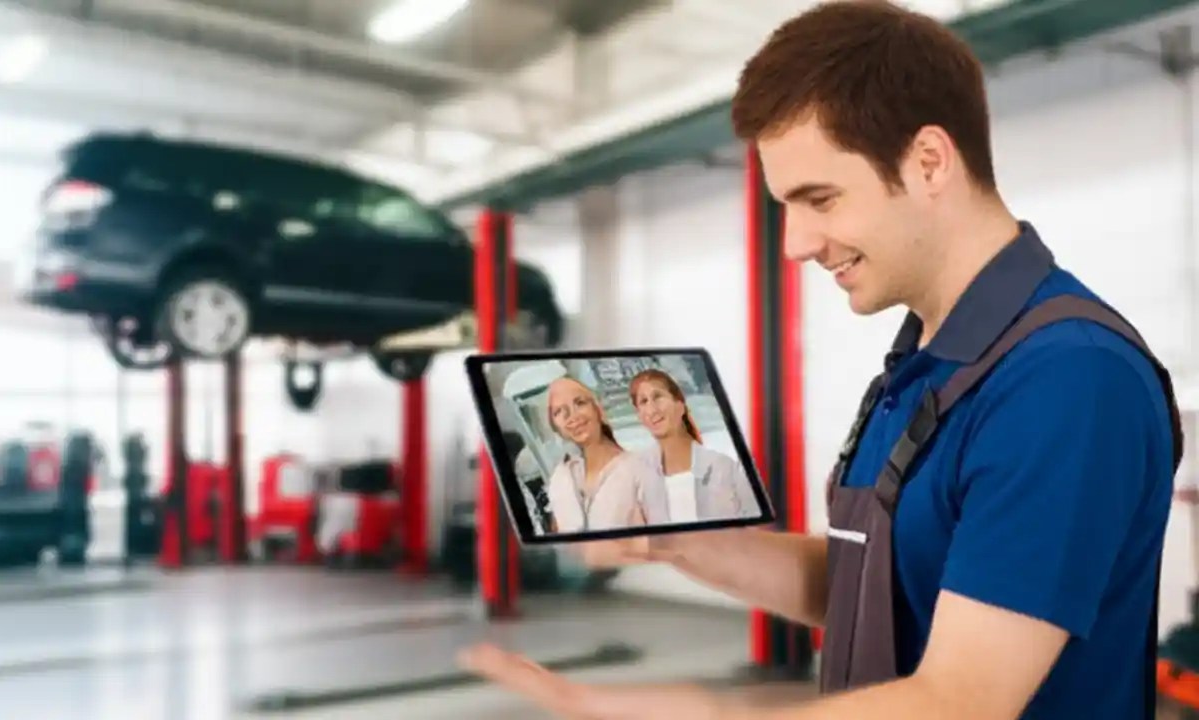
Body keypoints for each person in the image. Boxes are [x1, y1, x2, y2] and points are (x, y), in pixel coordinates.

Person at [458, 2, 1183, 719]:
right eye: (785, 207)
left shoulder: (1066, 381)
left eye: (820, 199)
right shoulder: (920, 367)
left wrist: (707, 715)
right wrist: (679, 543)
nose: (796, 244)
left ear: (929, 162)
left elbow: (962, 701)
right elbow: (872, 586)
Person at [629, 368, 760, 523]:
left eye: (657, 397)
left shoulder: (725, 468)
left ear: (680, 405)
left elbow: (755, 529)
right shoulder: (635, 475)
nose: (652, 410)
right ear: (640, 416)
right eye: (643, 402)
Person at [543, 376, 666, 533]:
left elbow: (666, 541)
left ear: (598, 409)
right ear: (556, 428)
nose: (572, 415)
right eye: (559, 411)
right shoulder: (561, 478)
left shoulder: (639, 470)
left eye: (580, 403)